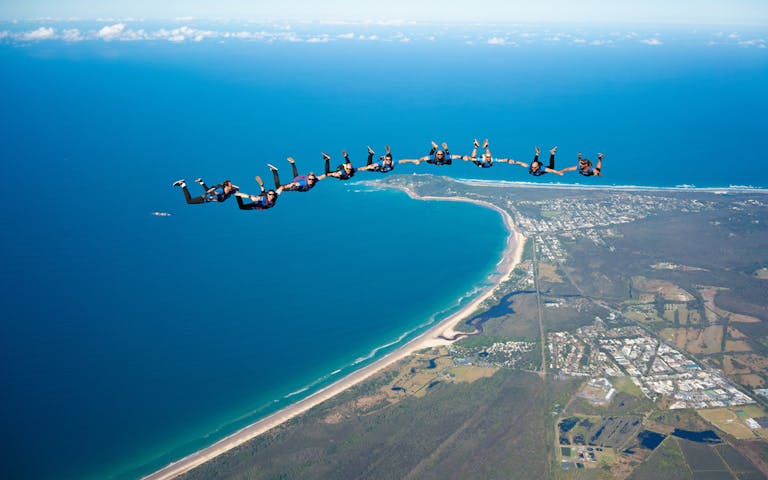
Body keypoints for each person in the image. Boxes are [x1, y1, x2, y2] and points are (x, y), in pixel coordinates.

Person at [172, 177, 239, 204]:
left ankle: (201, 182)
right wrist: (211, 196)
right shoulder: (221, 190)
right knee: (189, 201)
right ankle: (183, 184)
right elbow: (212, 193)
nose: (232, 185)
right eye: (230, 185)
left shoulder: (230, 192)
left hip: (208, 197)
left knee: (209, 191)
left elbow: (238, 188)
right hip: (206, 197)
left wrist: (212, 199)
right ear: (226, 186)